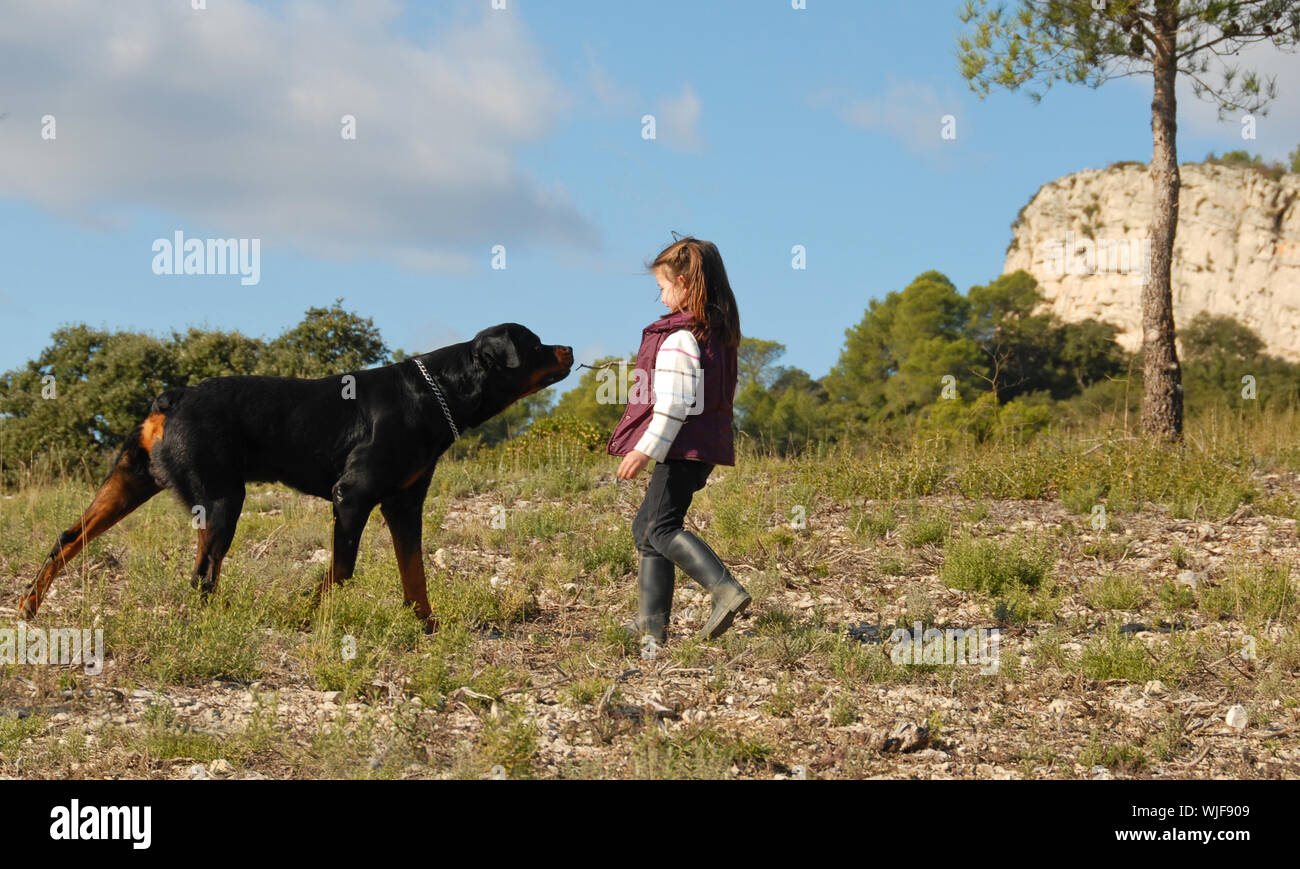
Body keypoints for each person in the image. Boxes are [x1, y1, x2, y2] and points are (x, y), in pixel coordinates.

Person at [606, 235, 750, 645]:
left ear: (685, 284)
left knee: (662, 528)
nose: (662, 297)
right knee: (648, 529)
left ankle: (725, 591)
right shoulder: (713, 334)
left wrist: (642, 450)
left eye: (663, 288)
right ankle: (652, 625)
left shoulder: (680, 339)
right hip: (697, 449)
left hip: (680, 449)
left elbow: (673, 406)